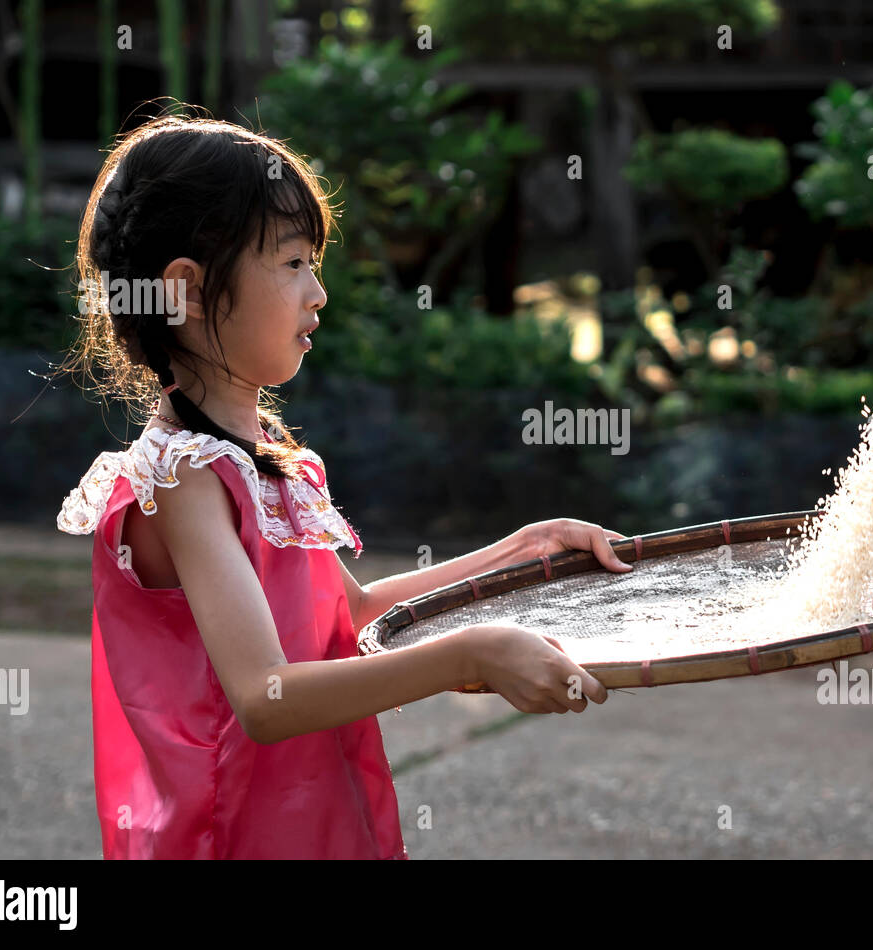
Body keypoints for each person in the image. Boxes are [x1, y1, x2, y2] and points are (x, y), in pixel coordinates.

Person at [53, 109, 631, 859]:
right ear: (187, 291)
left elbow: (346, 617)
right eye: (292, 263)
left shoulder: (257, 454)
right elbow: (266, 697)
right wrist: (469, 654)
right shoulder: (183, 478)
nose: (318, 292)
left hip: (316, 826)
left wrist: (523, 550)